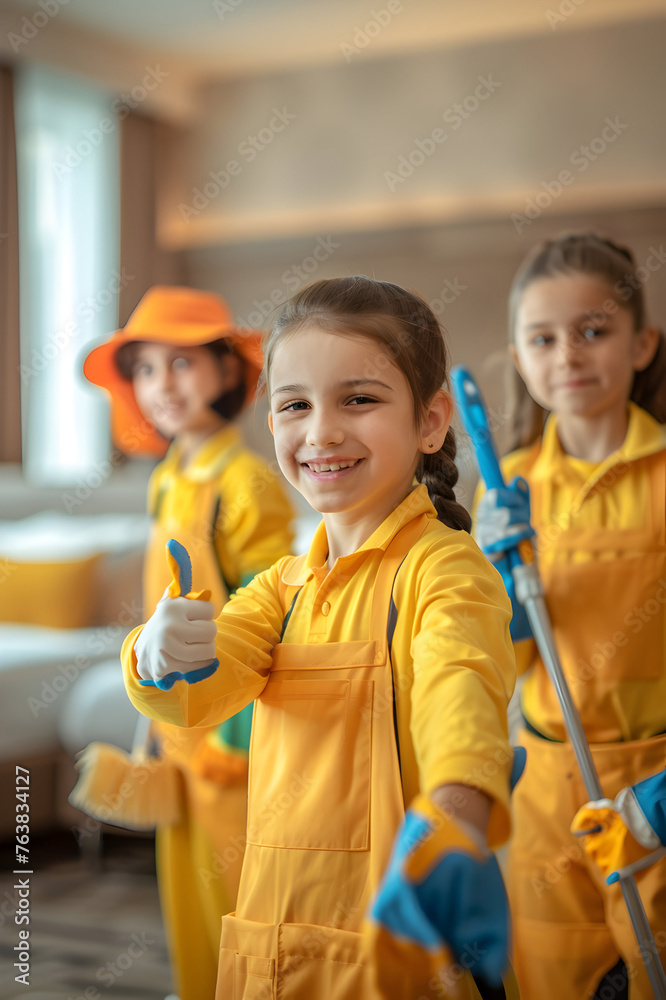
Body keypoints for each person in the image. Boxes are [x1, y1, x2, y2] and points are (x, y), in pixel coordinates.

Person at [119, 275, 520, 1000]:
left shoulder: (443, 571)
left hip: (395, 956)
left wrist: (457, 818)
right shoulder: (279, 588)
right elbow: (203, 688)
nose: (322, 431)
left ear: (430, 422)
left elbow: (461, 691)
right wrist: (157, 655)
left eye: (358, 400)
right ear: (271, 423)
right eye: (295, 405)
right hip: (273, 956)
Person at [83, 285, 295, 1000]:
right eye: (145, 368)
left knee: (239, 886)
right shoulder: (170, 476)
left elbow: (268, 615)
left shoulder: (246, 482)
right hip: (176, 722)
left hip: (232, 730)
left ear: (228, 371)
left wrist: (238, 734)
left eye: (181, 364)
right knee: (185, 883)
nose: (160, 386)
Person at [474, 233, 666, 999]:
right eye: (543, 338)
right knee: (553, 973)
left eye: (594, 331)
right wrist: (495, 565)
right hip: (550, 785)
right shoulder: (511, 491)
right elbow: (504, 651)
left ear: (642, 343)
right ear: (520, 359)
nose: (569, 355)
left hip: (656, 782)